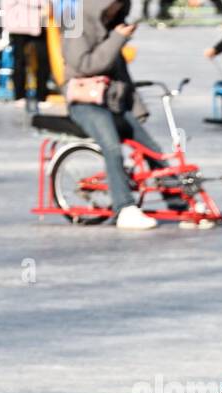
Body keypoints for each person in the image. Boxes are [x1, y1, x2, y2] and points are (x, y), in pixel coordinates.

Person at [62, 0, 172, 230]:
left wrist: (138, 109)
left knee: (153, 151)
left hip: (114, 104)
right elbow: (83, 65)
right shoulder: (77, 23)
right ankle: (124, 208)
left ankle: (180, 204)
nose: (117, 10)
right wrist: (117, 39)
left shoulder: (112, 27)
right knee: (112, 147)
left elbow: (123, 77)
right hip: (86, 103)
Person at [1, 0, 49, 110]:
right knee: (19, 61)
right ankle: (19, 95)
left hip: (39, 23)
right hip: (19, 24)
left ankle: (41, 95)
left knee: (43, 60)